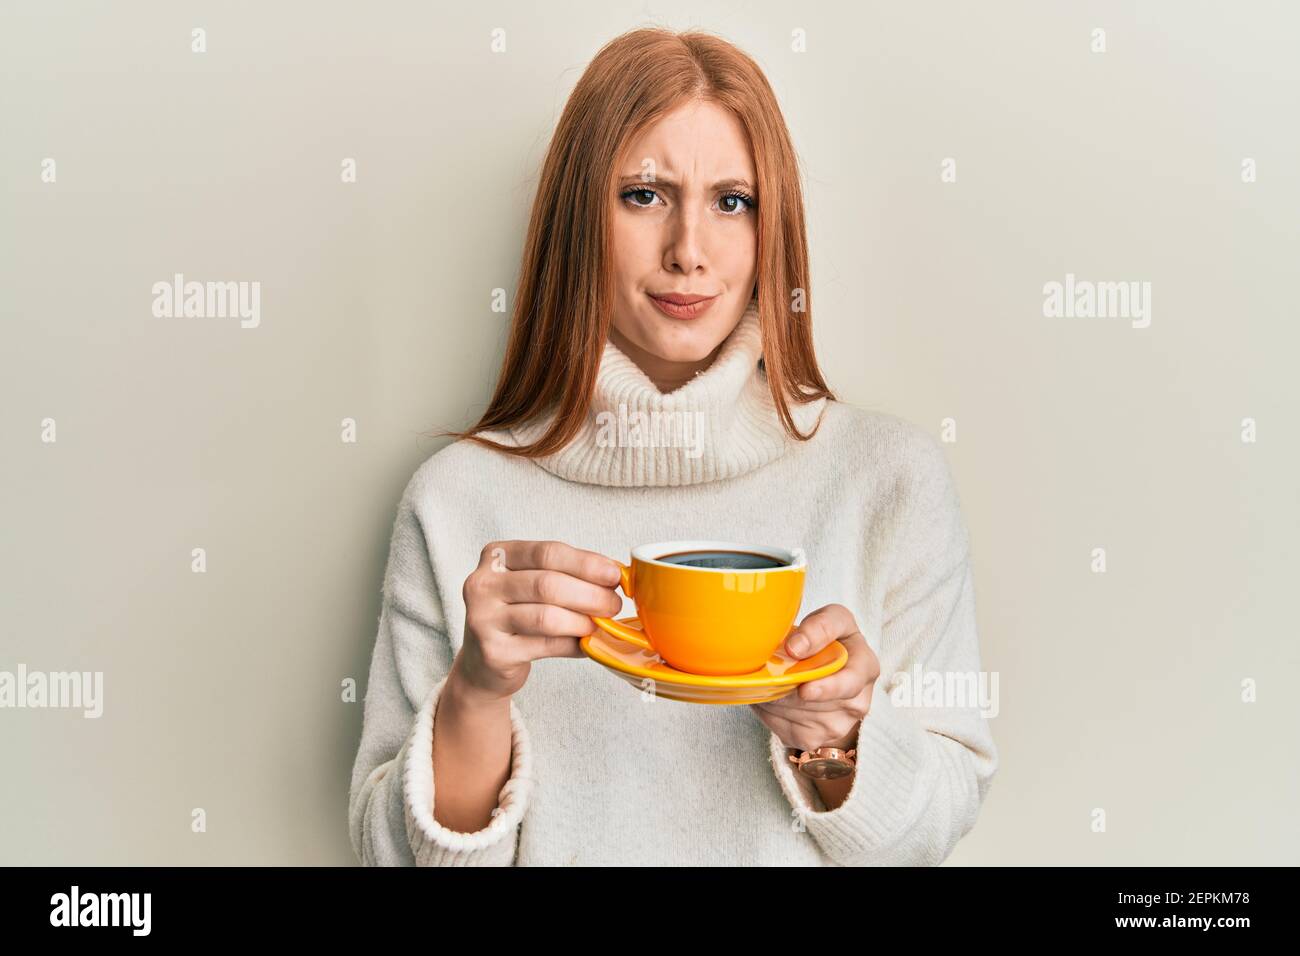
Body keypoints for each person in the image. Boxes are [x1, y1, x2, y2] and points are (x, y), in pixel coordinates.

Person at [347, 26, 997, 866]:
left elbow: (934, 829)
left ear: (775, 230)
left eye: (733, 202)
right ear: (581, 219)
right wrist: (475, 696)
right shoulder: (454, 499)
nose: (689, 251)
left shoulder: (889, 479)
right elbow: (384, 857)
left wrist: (834, 746)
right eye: (644, 195)